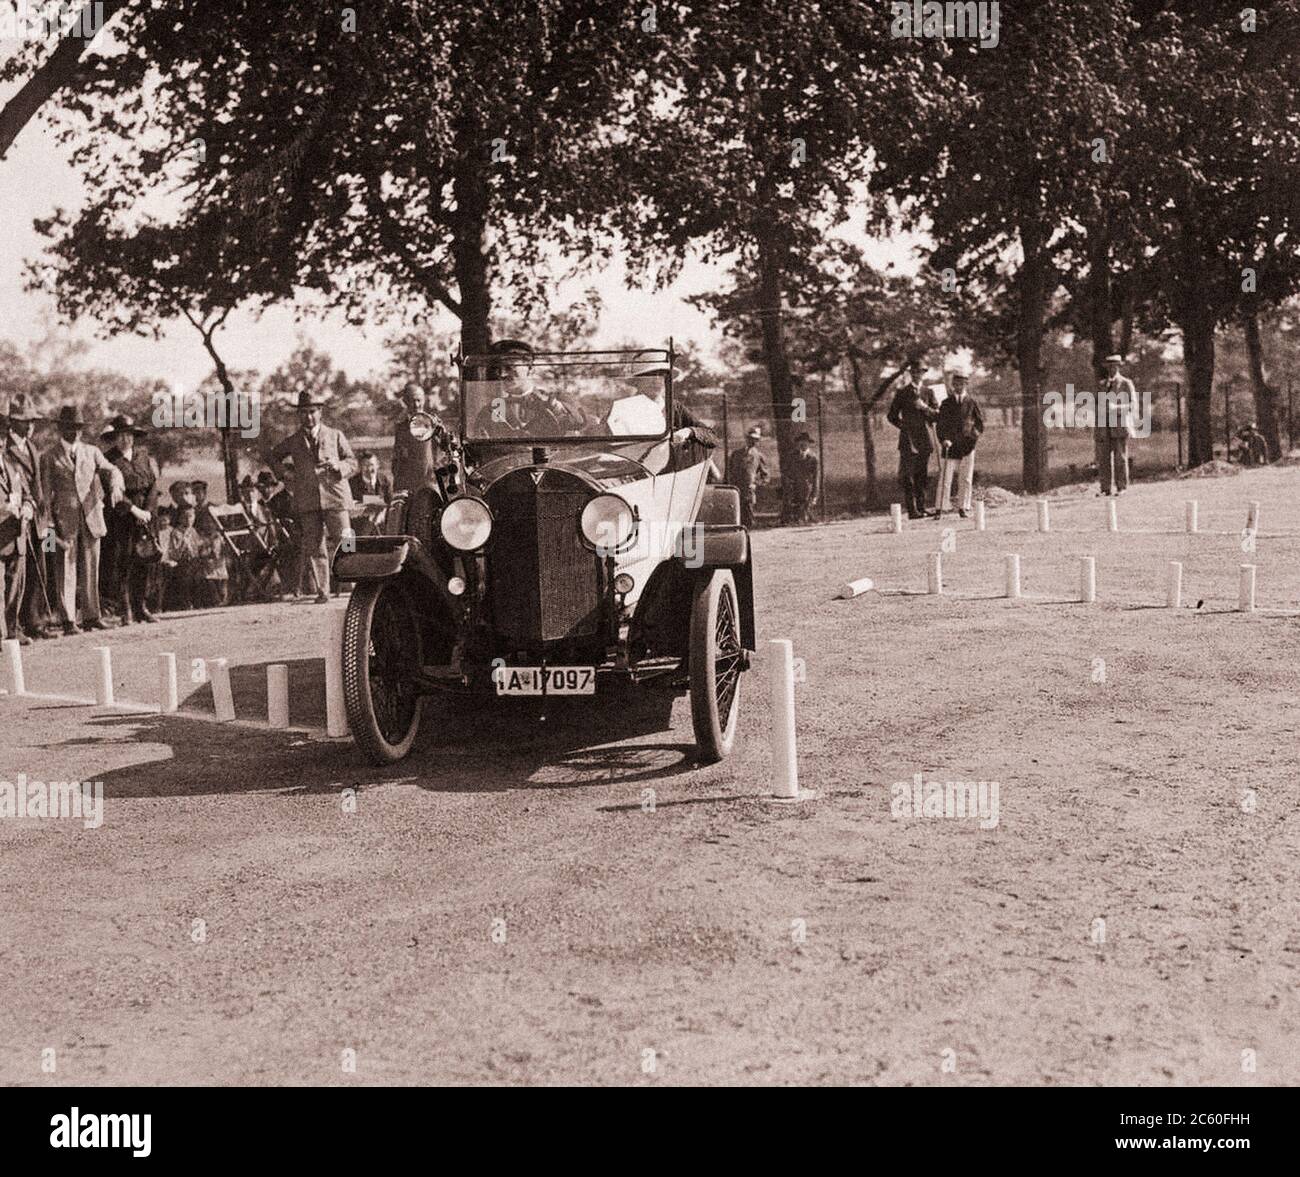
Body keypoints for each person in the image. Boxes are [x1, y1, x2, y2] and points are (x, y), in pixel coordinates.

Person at [38, 404, 124, 634]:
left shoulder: (91, 451)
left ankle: (91, 615)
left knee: (91, 567)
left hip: (92, 517)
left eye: (78, 427)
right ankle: (68, 620)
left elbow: (111, 469)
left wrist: (115, 484)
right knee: (64, 568)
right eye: (70, 427)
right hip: (63, 522)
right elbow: (45, 495)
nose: (75, 432)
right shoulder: (49, 456)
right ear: (61, 429)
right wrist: (49, 526)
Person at [270, 389, 358, 603]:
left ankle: (355, 584)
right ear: (299, 415)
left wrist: (339, 467)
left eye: (312, 412)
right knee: (315, 545)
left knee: (346, 540)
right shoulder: (293, 441)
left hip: (336, 497)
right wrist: (285, 474)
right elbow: (272, 457)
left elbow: (353, 463)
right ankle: (323, 590)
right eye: (303, 413)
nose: (308, 417)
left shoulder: (335, 435)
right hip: (308, 500)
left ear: (320, 412)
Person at [3, 394, 56, 640]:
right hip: (16, 519)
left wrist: (43, 514)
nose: (30, 425)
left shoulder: (32, 447)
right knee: (18, 572)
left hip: (39, 518)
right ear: (12, 422)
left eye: (33, 420)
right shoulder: (6, 449)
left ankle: (36, 621)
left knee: (39, 569)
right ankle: (17, 626)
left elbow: (39, 486)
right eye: (25, 421)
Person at [100, 413, 161, 624]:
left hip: (146, 515)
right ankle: (125, 609)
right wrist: (134, 510)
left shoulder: (144, 456)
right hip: (123, 517)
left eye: (128, 435)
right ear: (115, 438)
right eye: (120, 436)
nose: (125, 440)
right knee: (123, 562)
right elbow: (113, 493)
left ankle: (140, 606)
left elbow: (153, 485)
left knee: (145, 560)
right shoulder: (109, 460)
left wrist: (148, 511)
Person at [471, 339, 586, 438]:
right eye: (498, 369)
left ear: (531, 370)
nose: (502, 374)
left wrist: (556, 407)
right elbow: (481, 446)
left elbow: (579, 423)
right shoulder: (492, 409)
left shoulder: (558, 399)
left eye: (509, 367)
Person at [887, 358, 939, 519]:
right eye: (915, 372)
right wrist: (904, 426)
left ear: (924, 374)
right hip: (908, 439)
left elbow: (937, 415)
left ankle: (922, 507)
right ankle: (912, 510)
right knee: (908, 476)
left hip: (924, 437)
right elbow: (892, 416)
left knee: (921, 475)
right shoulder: (902, 393)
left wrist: (924, 407)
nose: (918, 375)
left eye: (921, 372)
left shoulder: (928, 392)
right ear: (911, 373)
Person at [934, 366, 985, 518]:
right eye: (956, 383)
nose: (958, 386)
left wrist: (972, 437)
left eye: (961, 383)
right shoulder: (946, 403)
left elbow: (980, 424)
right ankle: (940, 509)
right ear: (952, 385)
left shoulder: (971, 403)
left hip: (967, 446)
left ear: (966, 384)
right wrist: (943, 440)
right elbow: (940, 425)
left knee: (966, 479)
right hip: (950, 446)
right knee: (945, 479)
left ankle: (963, 507)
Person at [1096, 353, 1137, 496]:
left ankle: (1122, 487)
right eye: (1109, 367)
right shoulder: (1102, 385)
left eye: (1114, 366)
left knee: (1120, 458)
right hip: (1104, 427)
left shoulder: (1126, 383)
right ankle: (1105, 489)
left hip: (1119, 425)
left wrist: (1116, 408)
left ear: (1119, 367)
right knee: (1103, 459)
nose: (1112, 369)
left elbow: (1133, 405)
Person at [391, 383, 443, 494]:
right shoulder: (401, 427)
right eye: (412, 400)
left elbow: (445, 448)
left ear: (424, 400)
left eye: (419, 400)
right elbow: (397, 459)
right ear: (405, 402)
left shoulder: (433, 423)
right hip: (406, 485)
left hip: (429, 483)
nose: (416, 404)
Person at [726, 426, 770, 529]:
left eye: (755, 439)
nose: (753, 441)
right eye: (750, 438)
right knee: (734, 518)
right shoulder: (736, 454)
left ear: (758, 441)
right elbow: (728, 473)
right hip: (734, 491)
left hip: (748, 493)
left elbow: (766, 476)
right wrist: (727, 487)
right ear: (746, 438)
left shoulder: (759, 456)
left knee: (748, 520)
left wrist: (756, 484)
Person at [788, 432, 820, 523]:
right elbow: (789, 472)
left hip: (807, 488)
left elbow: (815, 476)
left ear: (809, 444)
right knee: (797, 509)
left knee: (806, 508)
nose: (803, 444)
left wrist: (814, 494)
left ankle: (807, 520)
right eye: (801, 442)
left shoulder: (813, 458)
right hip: (795, 487)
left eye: (805, 442)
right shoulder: (793, 456)